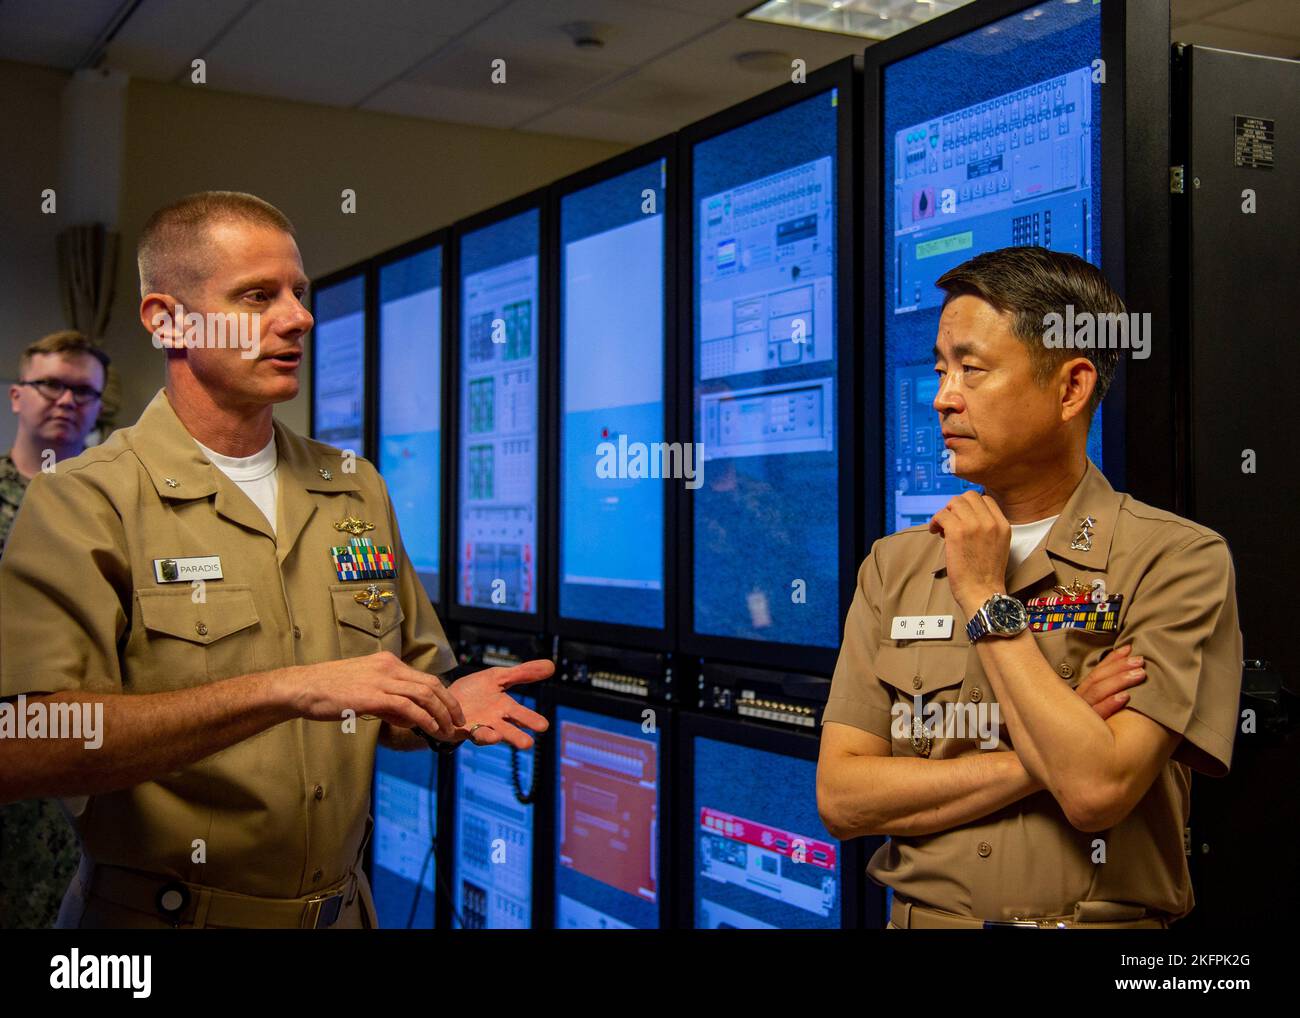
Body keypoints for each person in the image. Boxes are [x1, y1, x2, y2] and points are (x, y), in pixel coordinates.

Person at [0, 191, 552, 929]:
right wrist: (285, 690)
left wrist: (446, 708)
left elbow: (400, 690)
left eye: (298, 293)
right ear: (168, 321)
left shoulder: (353, 487)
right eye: (257, 296)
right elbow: (29, 748)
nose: (298, 318)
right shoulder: (86, 499)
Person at [817, 246, 1242, 929]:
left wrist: (987, 600)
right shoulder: (893, 566)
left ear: (1071, 389)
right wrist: (1042, 752)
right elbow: (843, 797)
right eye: (940, 369)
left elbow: (1097, 790)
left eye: (972, 370)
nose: (942, 396)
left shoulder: (1177, 560)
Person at [0, 330, 110, 928]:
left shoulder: (114, 512)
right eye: (51, 385)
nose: (67, 400)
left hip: (89, 767)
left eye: (83, 391)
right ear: (18, 396)